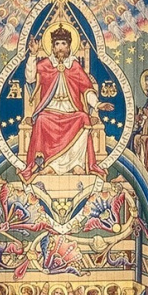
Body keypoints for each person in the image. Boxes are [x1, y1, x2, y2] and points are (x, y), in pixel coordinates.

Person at [22, 21, 106, 180]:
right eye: (57, 44)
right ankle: (50, 165)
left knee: (83, 118)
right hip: (50, 109)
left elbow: (87, 89)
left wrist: (97, 104)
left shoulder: (74, 67)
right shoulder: (45, 65)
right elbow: (30, 78)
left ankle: (76, 164)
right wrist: (32, 55)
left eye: (64, 44)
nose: (60, 47)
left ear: (69, 47)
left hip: (71, 110)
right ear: (52, 47)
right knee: (41, 120)